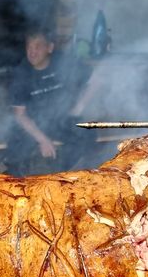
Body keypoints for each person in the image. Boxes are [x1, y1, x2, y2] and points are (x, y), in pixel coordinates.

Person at [6, 27, 89, 175]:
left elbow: (95, 78)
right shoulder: (22, 73)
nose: (32, 52)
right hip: (33, 121)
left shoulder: (62, 62)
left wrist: (79, 106)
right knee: (15, 146)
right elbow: (20, 115)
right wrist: (43, 140)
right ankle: (18, 182)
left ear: (49, 48)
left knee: (86, 134)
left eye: (37, 46)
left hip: (60, 118)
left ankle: (64, 176)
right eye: (29, 46)